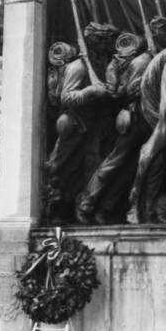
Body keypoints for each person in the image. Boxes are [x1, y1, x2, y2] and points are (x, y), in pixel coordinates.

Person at [43, 22, 119, 224]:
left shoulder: (102, 64)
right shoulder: (79, 67)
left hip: (96, 126)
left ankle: (84, 208)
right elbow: (67, 98)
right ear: (96, 41)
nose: (110, 45)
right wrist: (91, 91)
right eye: (106, 41)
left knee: (93, 167)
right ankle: (55, 210)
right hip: (76, 124)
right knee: (60, 168)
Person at [76, 32, 152, 225]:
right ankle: (87, 203)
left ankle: (107, 208)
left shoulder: (143, 60)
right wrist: (124, 89)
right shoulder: (118, 65)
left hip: (148, 119)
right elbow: (114, 92)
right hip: (132, 118)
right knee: (114, 163)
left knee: (132, 168)